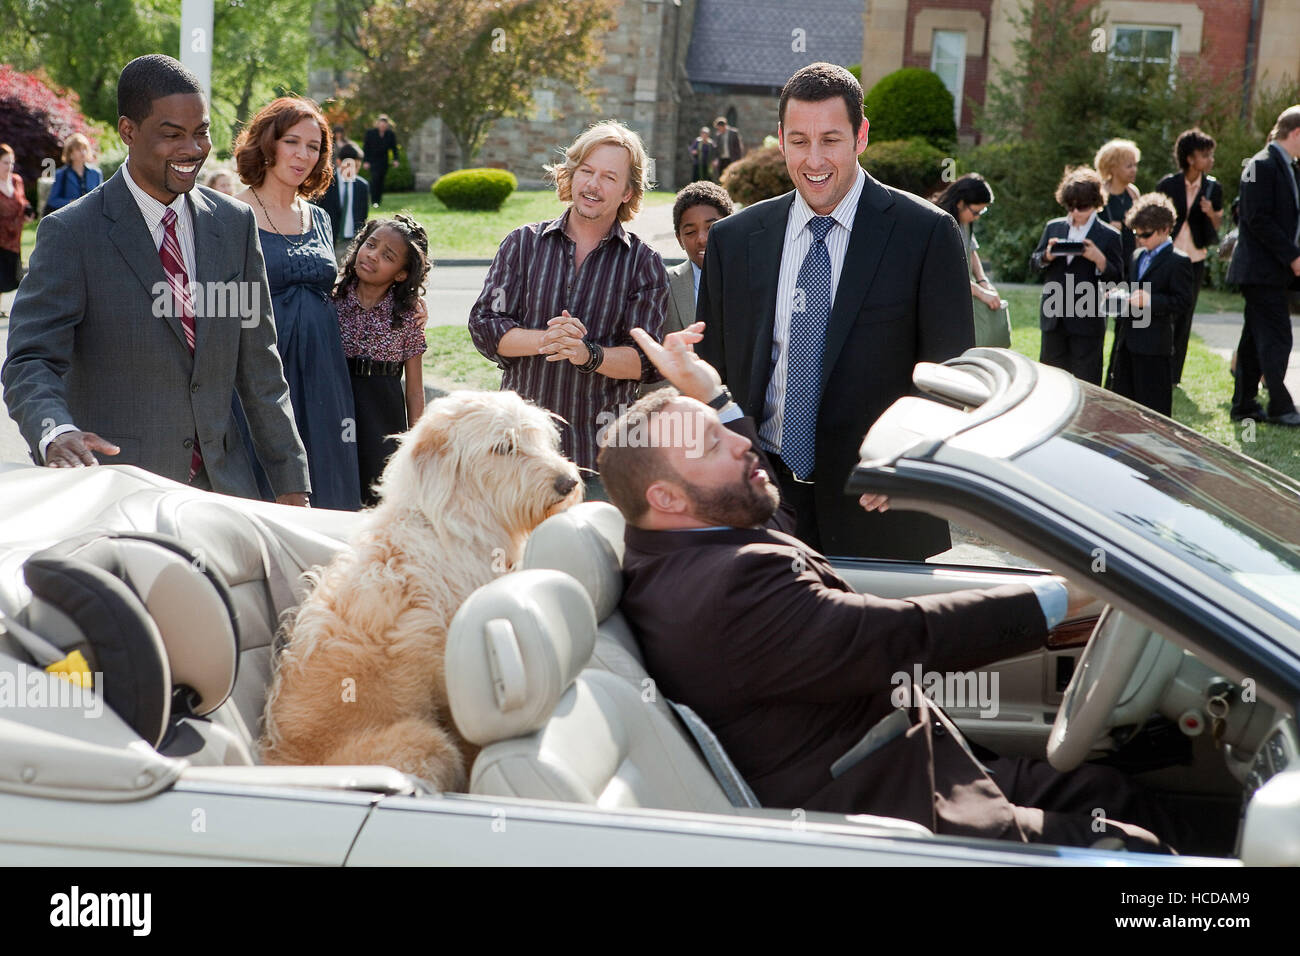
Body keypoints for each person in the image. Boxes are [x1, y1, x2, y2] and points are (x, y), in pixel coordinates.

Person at [597, 322, 1185, 852]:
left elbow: (763, 516)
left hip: (921, 766)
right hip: (893, 813)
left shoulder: (687, 545)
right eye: (711, 445)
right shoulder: (726, 590)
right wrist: (1065, 595)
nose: (744, 442)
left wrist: (714, 396)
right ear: (667, 498)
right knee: (1130, 846)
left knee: (1109, 790)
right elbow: (901, 637)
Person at [1, 55, 310, 503]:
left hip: (224, 494)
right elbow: (30, 360)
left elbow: (260, 368)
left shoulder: (235, 225)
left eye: (201, 132)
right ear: (129, 131)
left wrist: (291, 484)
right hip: (114, 495)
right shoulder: (72, 233)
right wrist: (55, 432)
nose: (193, 148)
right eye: (172, 134)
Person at [696, 62, 973, 561]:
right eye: (799, 141)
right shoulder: (733, 240)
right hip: (764, 504)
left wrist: (913, 463)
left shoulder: (925, 234)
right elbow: (715, 371)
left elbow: (952, 378)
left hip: (880, 505)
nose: (814, 158)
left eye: (831, 139)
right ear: (779, 140)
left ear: (860, 136)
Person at [467, 120, 668, 499]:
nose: (593, 185)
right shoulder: (522, 244)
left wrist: (585, 353)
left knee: (592, 558)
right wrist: (548, 339)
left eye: (609, 177)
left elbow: (646, 360)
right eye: (586, 171)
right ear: (571, 175)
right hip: (520, 458)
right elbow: (484, 326)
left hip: (600, 463)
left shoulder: (644, 263)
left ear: (628, 191)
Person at [232, 96, 361, 510]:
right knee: (265, 485)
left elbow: (336, 294)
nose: (303, 155)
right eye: (292, 142)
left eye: (314, 146)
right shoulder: (232, 213)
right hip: (262, 372)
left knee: (326, 480)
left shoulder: (320, 219)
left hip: (324, 370)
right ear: (268, 142)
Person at [333, 214, 430, 505]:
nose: (372, 256)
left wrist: (417, 446)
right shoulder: (331, 299)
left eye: (387, 256)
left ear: (401, 273)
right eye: (370, 245)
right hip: (336, 405)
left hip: (382, 416)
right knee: (335, 487)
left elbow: (414, 390)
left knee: (377, 497)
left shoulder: (408, 315)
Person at [1228, 106, 1300, 427]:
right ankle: (1280, 406)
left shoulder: (1288, 168)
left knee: (1254, 340)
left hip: (1273, 272)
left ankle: (1244, 405)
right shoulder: (1260, 164)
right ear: (1297, 133)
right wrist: (1293, 256)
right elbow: (1256, 218)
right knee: (1277, 337)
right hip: (1260, 271)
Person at [1030, 166, 1125, 385]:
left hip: (1087, 319)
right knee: (1050, 381)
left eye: (1081, 207)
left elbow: (1117, 279)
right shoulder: (1054, 227)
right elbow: (1034, 264)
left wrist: (1098, 259)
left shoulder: (1109, 236)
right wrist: (1046, 255)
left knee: (1086, 381)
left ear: (1095, 204)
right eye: (1069, 207)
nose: (1074, 213)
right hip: (1054, 316)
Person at [1105, 193, 1194, 416]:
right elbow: (1133, 285)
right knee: (1123, 405)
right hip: (1128, 340)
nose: (1141, 239)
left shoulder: (1178, 261)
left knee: (1153, 407)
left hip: (1155, 345)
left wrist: (1151, 301)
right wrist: (1120, 294)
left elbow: (1183, 302)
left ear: (1165, 229)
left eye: (1146, 234)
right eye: (1136, 234)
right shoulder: (1136, 255)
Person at [641, 181, 733, 396]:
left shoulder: (755, 280)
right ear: (679, 240)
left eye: (712, 228)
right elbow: (655, 365)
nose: (702, 239)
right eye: (690, 232)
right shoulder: (664, 284)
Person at [1157, 128, 1223, 386]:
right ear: (1189, 158)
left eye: (1211, 155)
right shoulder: (1168, 185)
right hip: (1167, 256)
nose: (1210, 160)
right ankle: (1157, 365)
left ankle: (1174, 375)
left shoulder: (1212, 187)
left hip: (1194, 257)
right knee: (1163, 313)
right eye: (1204, 154)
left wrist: (1210, 213)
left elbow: (1218, 224)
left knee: (1185, 313)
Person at [932, 173, 1008, 348]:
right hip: (943, 300)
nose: (978, 217)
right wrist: (981, 293)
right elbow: (947, 273)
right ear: (960, 203)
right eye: (976, 212)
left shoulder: (965, 222)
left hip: (964, 295)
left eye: (982, 211)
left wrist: (983, 281)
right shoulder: (939, 223)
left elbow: (972, 251)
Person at [1095, 139, 1141, 279]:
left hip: (1129, 257)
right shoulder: (1098, 192)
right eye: (1129, 166)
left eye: (1135, 165)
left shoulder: (1133, 193)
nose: (1134, 170)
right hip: (1106, 258)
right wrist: (1108, 228)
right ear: (1113, 168)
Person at [0, 144, 35, 309]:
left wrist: (27, 211)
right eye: (6, 162)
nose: (9, 167)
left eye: (11, 163)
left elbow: (23, 201)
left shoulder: (16, 180)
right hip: (0, 237)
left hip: (15, 237)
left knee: (13, 276)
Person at [319, 155, 370, 261]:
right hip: (331, 238)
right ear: (339, 162)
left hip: (352, 239)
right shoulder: (326, 183)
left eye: (356, 166)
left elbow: (363, 214)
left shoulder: (362, 186)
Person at [45, 133, 103, 213]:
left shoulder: (96, 173)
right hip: (69, 219)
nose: (83, 152)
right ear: (70, 153)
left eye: (85, 149)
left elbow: (101, 199)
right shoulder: (61, 174)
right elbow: (52, 200)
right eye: (78, 149)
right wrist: (71, 203)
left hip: (91, 218)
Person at [362, 114, 397, 207]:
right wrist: (366, 161)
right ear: (378, 124)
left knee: (381, 181)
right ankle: (374, 201)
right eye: (381, 125)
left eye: (384, 126)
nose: (382, 127)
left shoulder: (390, 134)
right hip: (373, 161)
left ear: (387, 126)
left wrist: (395, 159)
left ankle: (379, 200)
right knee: (375, 179)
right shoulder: (370, 133)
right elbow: (366, 148)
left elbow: (394, 148)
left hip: (384, 161)